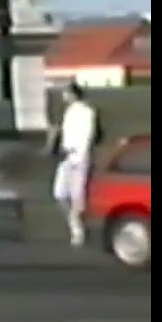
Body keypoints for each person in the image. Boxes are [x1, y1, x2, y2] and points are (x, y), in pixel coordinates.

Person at [50, 80, 99, 248]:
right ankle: (75, 224)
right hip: (66, 157)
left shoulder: (86, 112)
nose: (63, 96)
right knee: (59, 193)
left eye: (65, 92)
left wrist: (79, 157)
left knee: (78, 196)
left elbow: (87, 136)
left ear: (72, 94)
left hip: (78, 157)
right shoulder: (68, 111)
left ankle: (78, 231)